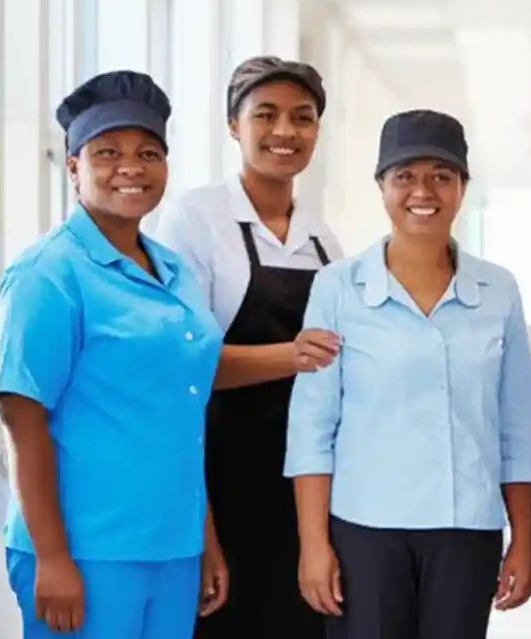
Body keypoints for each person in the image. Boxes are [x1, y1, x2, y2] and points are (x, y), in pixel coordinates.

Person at [284, 109, 531, 639]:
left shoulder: (498, 290)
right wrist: (313, 545)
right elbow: (312, 430)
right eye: (404, 176)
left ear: (463, 187)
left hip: (466, 530)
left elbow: (515, 427)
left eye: (441, 176)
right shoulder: (338, 287)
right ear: (382, 186)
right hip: (365, 532)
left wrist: (523, 540)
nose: (423, 190)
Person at [0, 70, 227, 638]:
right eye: (107, 153)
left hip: (170, 545)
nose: (131, 166)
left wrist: (204, 540)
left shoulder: (173, 271)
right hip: (86, 550)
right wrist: (50, 557)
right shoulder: (50, 273)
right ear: (73, 168)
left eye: (148, 152)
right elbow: (22, 416)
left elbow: (181, 414)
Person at [153, 55, 342, 639]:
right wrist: (294, 355)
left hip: (304, 476)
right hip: (222, 467)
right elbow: (178, 366)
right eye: (266, 114)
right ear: (234, 125)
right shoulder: (198, 218)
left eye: (302, 117)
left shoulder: (321, 237)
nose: (285, 131)